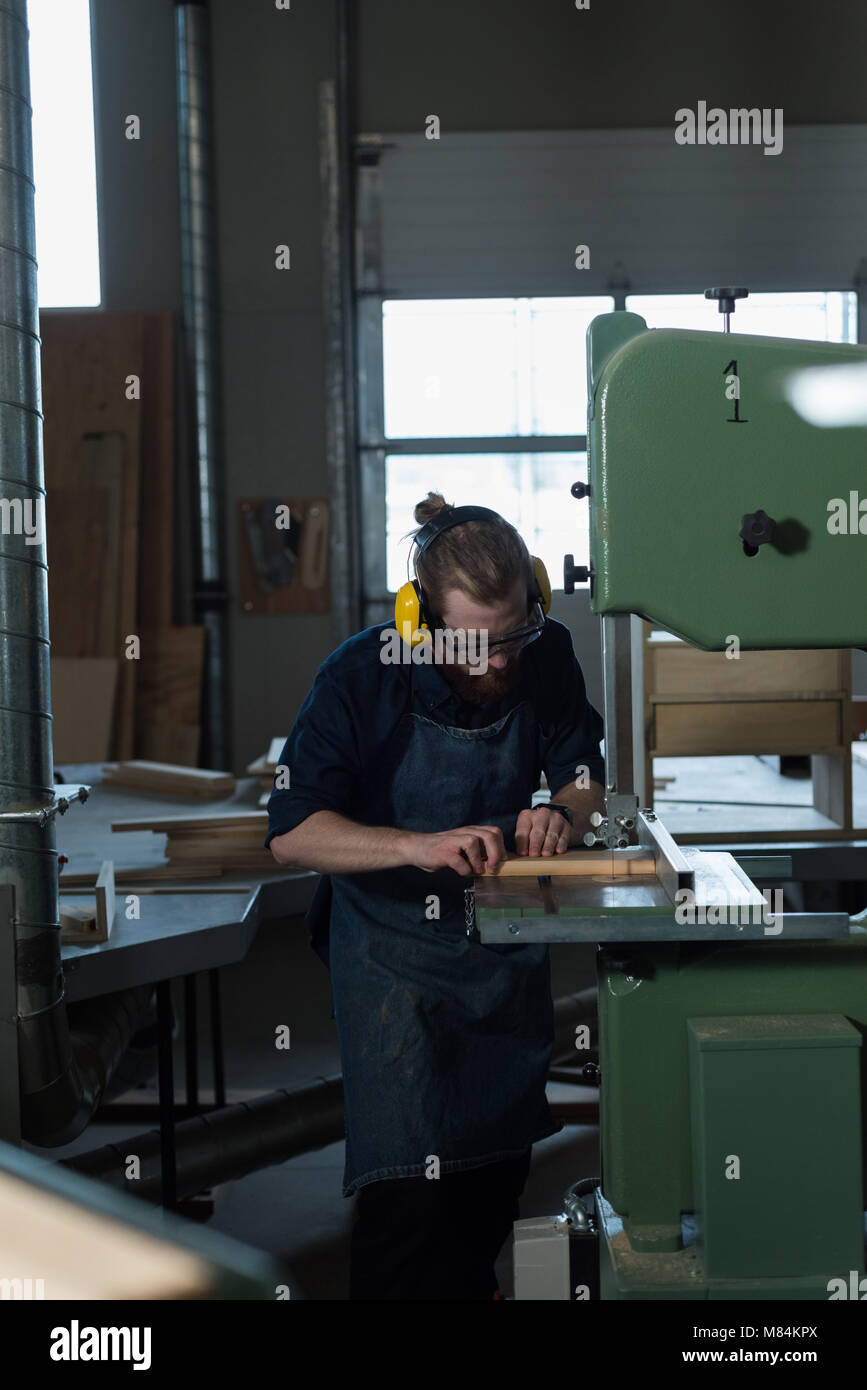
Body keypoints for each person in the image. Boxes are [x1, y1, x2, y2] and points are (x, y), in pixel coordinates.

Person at [266, 494, 605, 1300]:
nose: (495, 664)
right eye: (470, 645)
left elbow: (585, 776)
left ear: (535, 603)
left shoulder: (546, 652)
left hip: (497, 945)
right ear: (418, 621)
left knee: (493, 1178)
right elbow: (292, 831)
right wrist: (416, 845)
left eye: (512, 637)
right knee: (409, 1204)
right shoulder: (359, 674)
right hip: (393, 959)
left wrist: (560, 812)